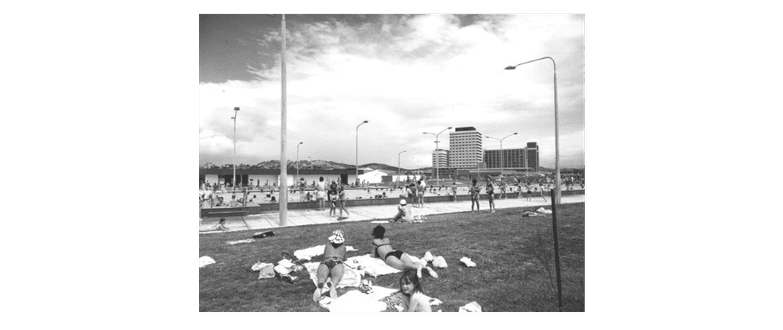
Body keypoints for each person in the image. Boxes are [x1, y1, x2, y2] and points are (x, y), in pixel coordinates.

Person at [371, 225, 437, 278]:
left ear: (375, 234)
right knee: (411, 262)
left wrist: (376, 253)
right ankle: (425, 267)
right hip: (397, 252)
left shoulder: (375, 241)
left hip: (389, 256)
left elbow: (374, 255)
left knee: (402, 266)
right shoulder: (387, 239)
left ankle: (417, 267)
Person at [313, 230, 347, 302]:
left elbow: (324, 256)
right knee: (336, 276)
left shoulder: (327, 245)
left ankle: (320, 284)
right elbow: (344, 258)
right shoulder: (343, 246)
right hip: (337, 262)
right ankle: (332, 285)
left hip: (326, 262)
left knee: (322, 276)